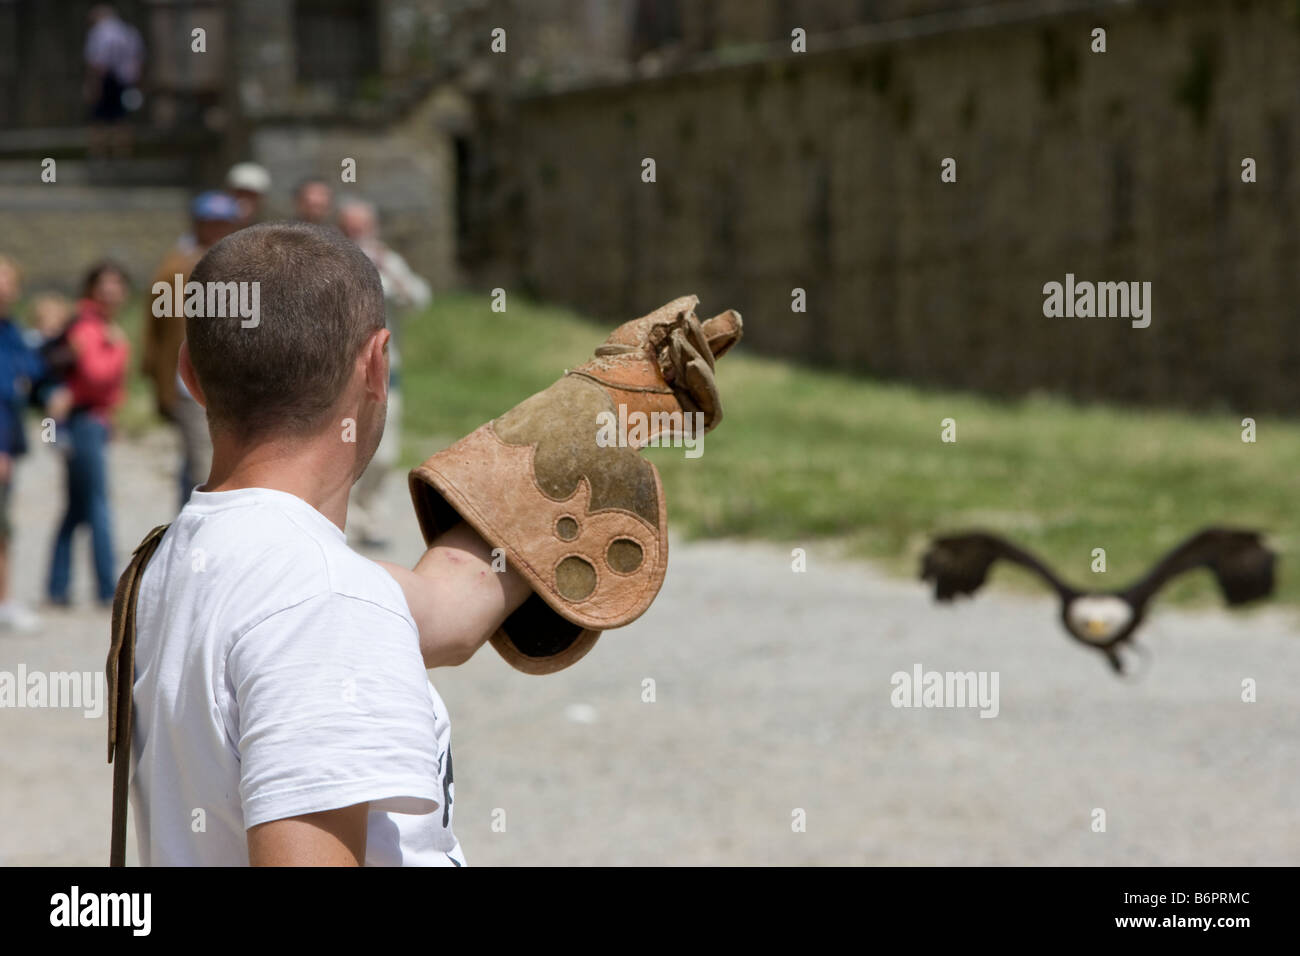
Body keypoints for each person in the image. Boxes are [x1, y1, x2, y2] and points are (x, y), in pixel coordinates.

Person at [131, 223, 531, 865]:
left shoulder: (176, 558)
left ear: (189, 375)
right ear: (377, 364)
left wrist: (581, 447)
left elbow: (440, 610)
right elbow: (332, 616)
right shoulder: (321, 600)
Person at [338, 199, 431, 548]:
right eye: (349, 227)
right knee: (345, 447)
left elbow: (419, 299)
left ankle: (370, 517)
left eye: (361, 226)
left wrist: (387, 271)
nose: (356, 232)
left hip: (386, 372)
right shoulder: (331, 261)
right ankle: (345, 520)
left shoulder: (387, 261)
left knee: (385, 452)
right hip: (342, 373)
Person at [143, 191, 241, 508]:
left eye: (223, 223)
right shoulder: (175, 267)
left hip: (236, 383)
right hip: (191, 385)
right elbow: (157, 326)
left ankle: (182, 527)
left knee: (206, 463)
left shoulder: (244, 260)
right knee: (206, 466)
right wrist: (155, 377)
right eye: (210, 223)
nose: (216, 229)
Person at [48, 261, 130, 607]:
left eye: (116, 284)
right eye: (104, 284)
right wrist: (115, 347)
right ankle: (106, 588)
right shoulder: (87, 326)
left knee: (77, 507)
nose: (110, 291)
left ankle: (58, 587)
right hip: (80, 423)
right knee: (97, 505)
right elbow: (96, 376)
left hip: (91, 423)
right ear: (92, 289)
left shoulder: (104, 327)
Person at [0, 258, 70, 630]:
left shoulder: (11, 332)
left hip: (11, 445)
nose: (5, 285)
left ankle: (5, 601)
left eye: (10, 278)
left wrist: (52, 394)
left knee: (4, 526)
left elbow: (32, 377)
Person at [83, 5, 144, 158]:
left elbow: (96, 63)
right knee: (122, 119)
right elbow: (139, 59)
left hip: (105, 79)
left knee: (98, 120)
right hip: (125, 80)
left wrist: (92, 85)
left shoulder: (98, 32)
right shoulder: (130, 32)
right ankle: (123, 156)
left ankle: (98, 156)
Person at [226, 162, 272, 227]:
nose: (244, 200)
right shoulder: (213, 226)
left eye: (251, 195)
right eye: (240, 193)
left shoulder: (272, 227)